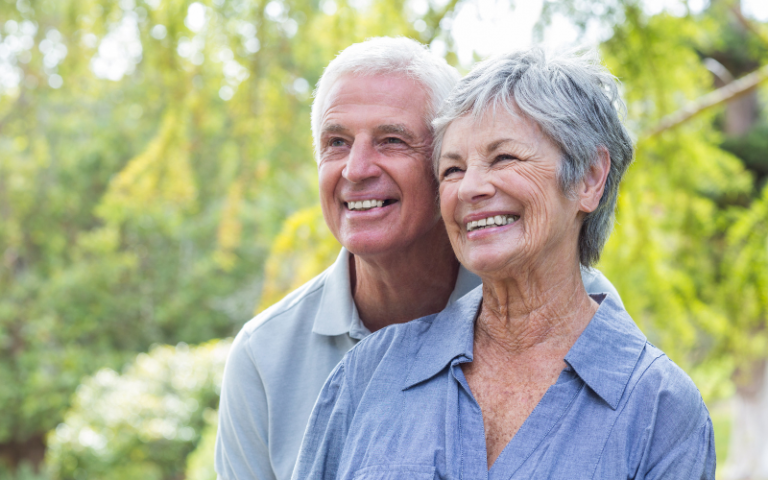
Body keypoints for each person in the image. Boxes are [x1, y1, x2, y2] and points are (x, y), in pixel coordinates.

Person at [292, 48, 715, 480]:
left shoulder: (660, 409)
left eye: (504, 158)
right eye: (453, 170)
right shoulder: (369, 373)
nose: (470, 188)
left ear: (589, 178)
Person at [215, 38, 622, 480]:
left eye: (392, 140)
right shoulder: (264, 355)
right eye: (336, 142)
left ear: (445, 165)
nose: (356, 169)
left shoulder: (580, 307)